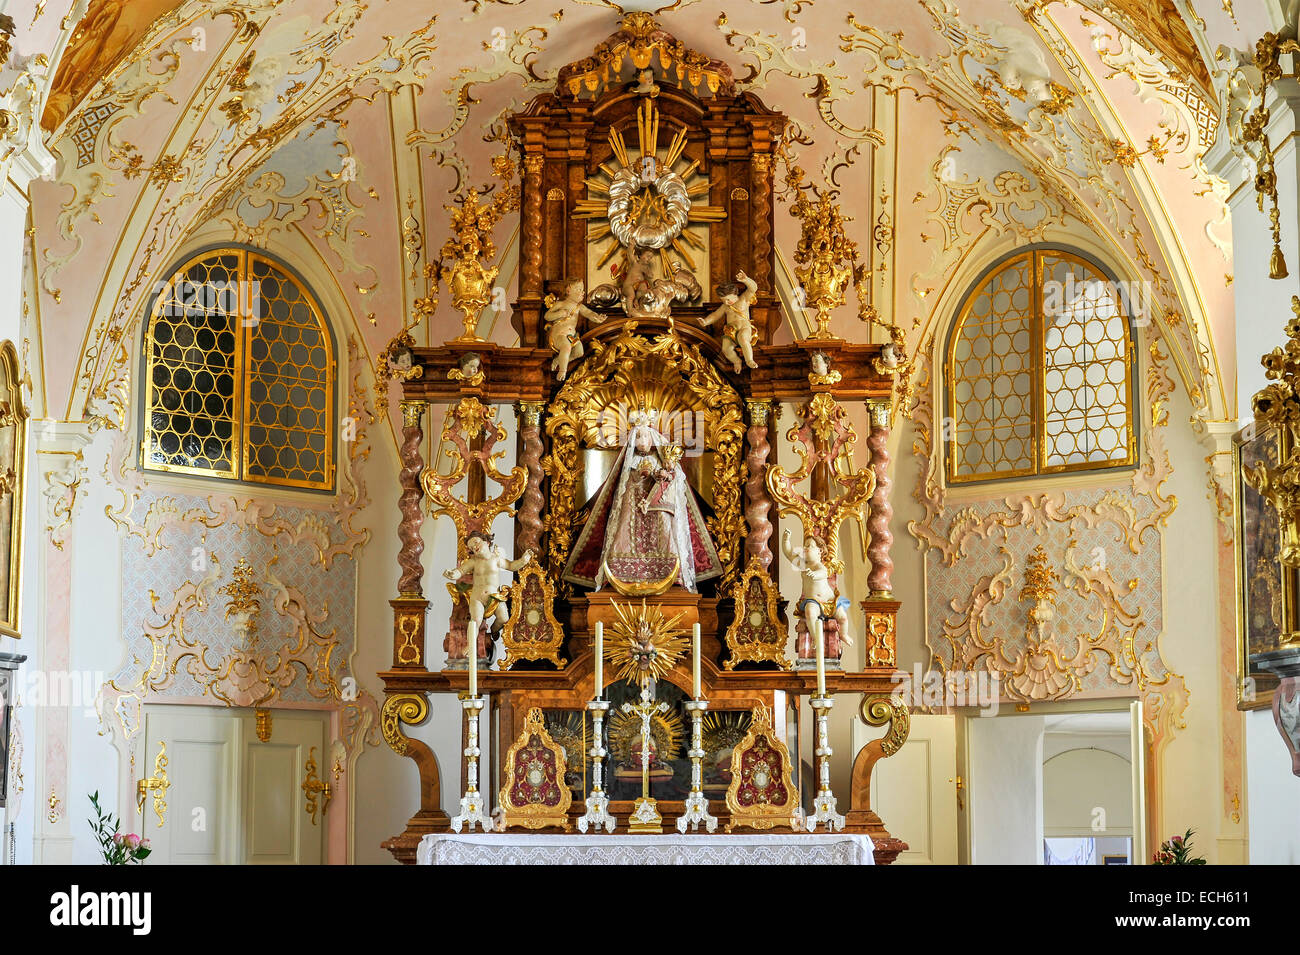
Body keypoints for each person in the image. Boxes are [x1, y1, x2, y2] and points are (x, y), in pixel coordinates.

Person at [563, 409, 721, 593]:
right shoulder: (630, 459)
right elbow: (623, 483)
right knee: (623, 529)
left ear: (652, 437)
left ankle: (670, 572)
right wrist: (638, 477)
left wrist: (664, 474)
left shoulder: (659, 458)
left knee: (665, 530)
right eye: (638, 438)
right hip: (633, 507)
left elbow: (674, 479)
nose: (642, 442)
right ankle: (621, 572)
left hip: (656, 508)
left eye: (645, 437)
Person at [444, 531, 533, 641]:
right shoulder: (473, 562)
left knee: (504, 618)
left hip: (494, 596)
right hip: (477, 598)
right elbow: (461, 570)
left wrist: (523, 560)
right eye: (471, 547)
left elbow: (511, 565)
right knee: (475, 621)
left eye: (476, 542)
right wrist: (452, 574)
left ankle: (494, 630)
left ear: (486, 542)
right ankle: (470, 646)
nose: (474, 547)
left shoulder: (496, 559)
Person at [781, 529, 853, 647]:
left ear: (819, 551)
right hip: (813, 601)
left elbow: (822, 573)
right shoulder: (802, 564)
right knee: (810, 613)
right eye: (804, 546)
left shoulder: (820, 566)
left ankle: (844, 634)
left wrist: (814, 575)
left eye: (809, 546)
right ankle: (816, 638)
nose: (805, 548)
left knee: (843, 617)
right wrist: (786, 540)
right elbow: (788, 553)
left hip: (830, 601)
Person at [702, 271, 758, 373]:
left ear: (734, 293)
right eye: (723, 301)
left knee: (743, 339)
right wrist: (705, 321)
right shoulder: (725, 307)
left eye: (727, 299)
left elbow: (753, 288)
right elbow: (715, 315)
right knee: (726, 349)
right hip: (731, 331)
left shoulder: (744, 299)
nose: (726, 302)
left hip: (744, 327)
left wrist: (746, 280)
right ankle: (736, 361)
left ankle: (749, 360)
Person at [544, 279, 600, 381]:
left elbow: (588, 313)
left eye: (583, 290)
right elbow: (547, 316)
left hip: (572, 336)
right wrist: (558, 314)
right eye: (579, 289)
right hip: (559, 335)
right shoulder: (560, 304)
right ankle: (562, 370)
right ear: (569, 290)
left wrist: (597, 317)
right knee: (566, 347)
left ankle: (558, 360)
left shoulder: (579, 307)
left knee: (579, 352)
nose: (583, 292)